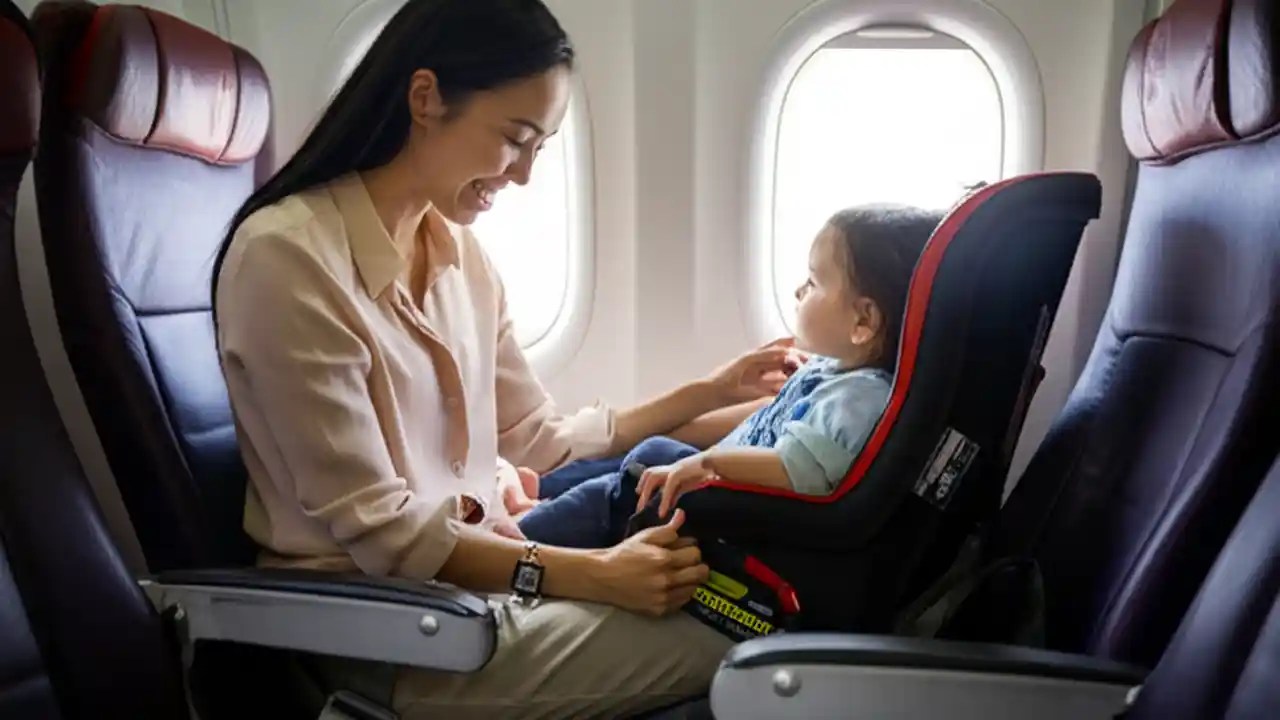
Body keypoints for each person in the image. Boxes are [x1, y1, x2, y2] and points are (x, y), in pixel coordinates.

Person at [210, 1, 797, 717]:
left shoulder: (462, 257)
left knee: (735, 593)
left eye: (539, 149)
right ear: (426, 98)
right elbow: (388, 535)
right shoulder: (289, 258)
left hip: (472, 584)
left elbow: (539, 438)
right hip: (386, 629)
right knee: (763, 647)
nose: (521, 175)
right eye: (514, 139)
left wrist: (712, 397)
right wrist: (596, 575)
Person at [516, 205, 942, 548]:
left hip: (729, 513)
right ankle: (539, 490)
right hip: (717, 486)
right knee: (647, 453)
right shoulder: (837, 372)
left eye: (813, 283)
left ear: (863, 320)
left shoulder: (858, 400)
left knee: (620, 491)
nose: (798, 292)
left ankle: (522, 534)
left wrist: (708, 461)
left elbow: (796, 470)